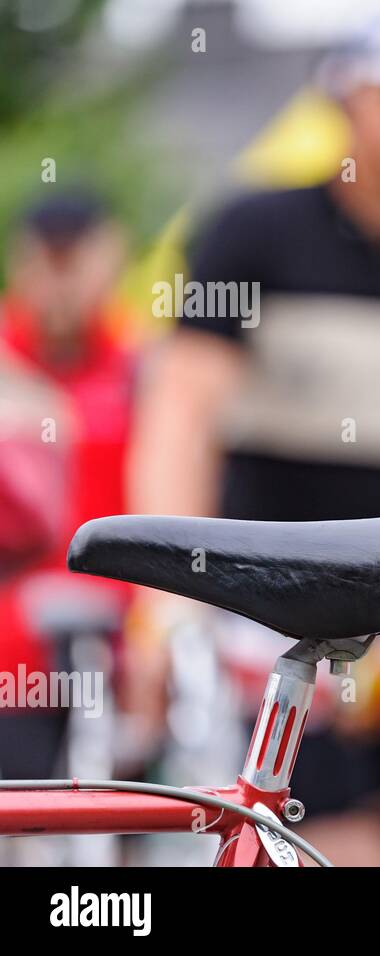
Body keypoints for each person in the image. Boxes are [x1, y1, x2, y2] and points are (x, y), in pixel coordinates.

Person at [129, 9, 380, 864]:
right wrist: (168, 595)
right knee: (337, 847)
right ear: (347, 102)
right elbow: (182, 416)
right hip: (275, 615)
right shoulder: (254, 233)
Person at [0, 192, 135, 778]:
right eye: (47, 263)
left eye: (74, 262)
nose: (60, 283)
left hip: (120, 660)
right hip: (12, 667)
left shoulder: (144, 370)